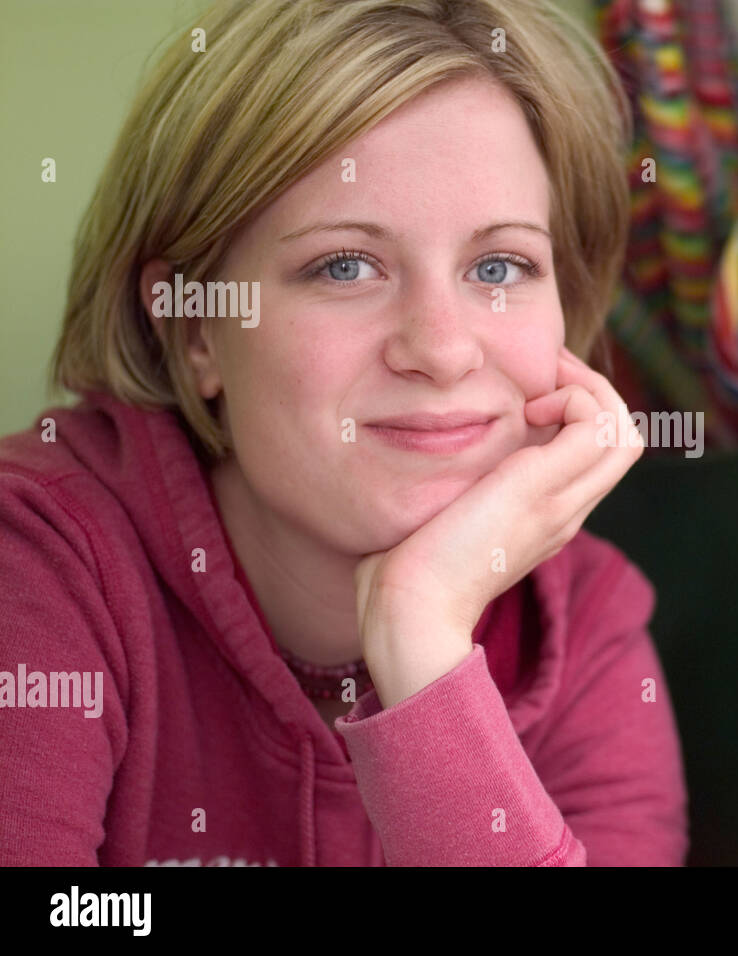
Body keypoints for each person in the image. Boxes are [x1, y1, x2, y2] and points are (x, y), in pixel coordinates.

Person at [0, 0, 688, 866]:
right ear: (196, 329)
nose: (440, 349)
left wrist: (421, 638)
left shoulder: (586, 629)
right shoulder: (36, 561)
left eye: (500, 266)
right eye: (345, 266)